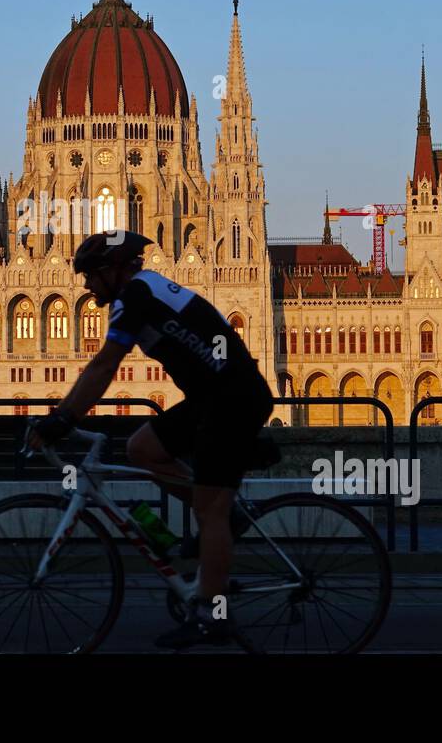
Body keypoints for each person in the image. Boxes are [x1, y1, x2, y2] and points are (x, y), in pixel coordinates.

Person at [28, 230, 274, 649]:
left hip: (233, 399)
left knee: (208, 509)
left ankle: (211, 615)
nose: (86, 285)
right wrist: (64, 415)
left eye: (90, 275)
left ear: (113, 271)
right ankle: (225, 517)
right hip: (210, 398)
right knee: (141, 449)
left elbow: (104, 366)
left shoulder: (137, 296)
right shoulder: (143, 292)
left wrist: (63, 418)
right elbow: (101, 367)